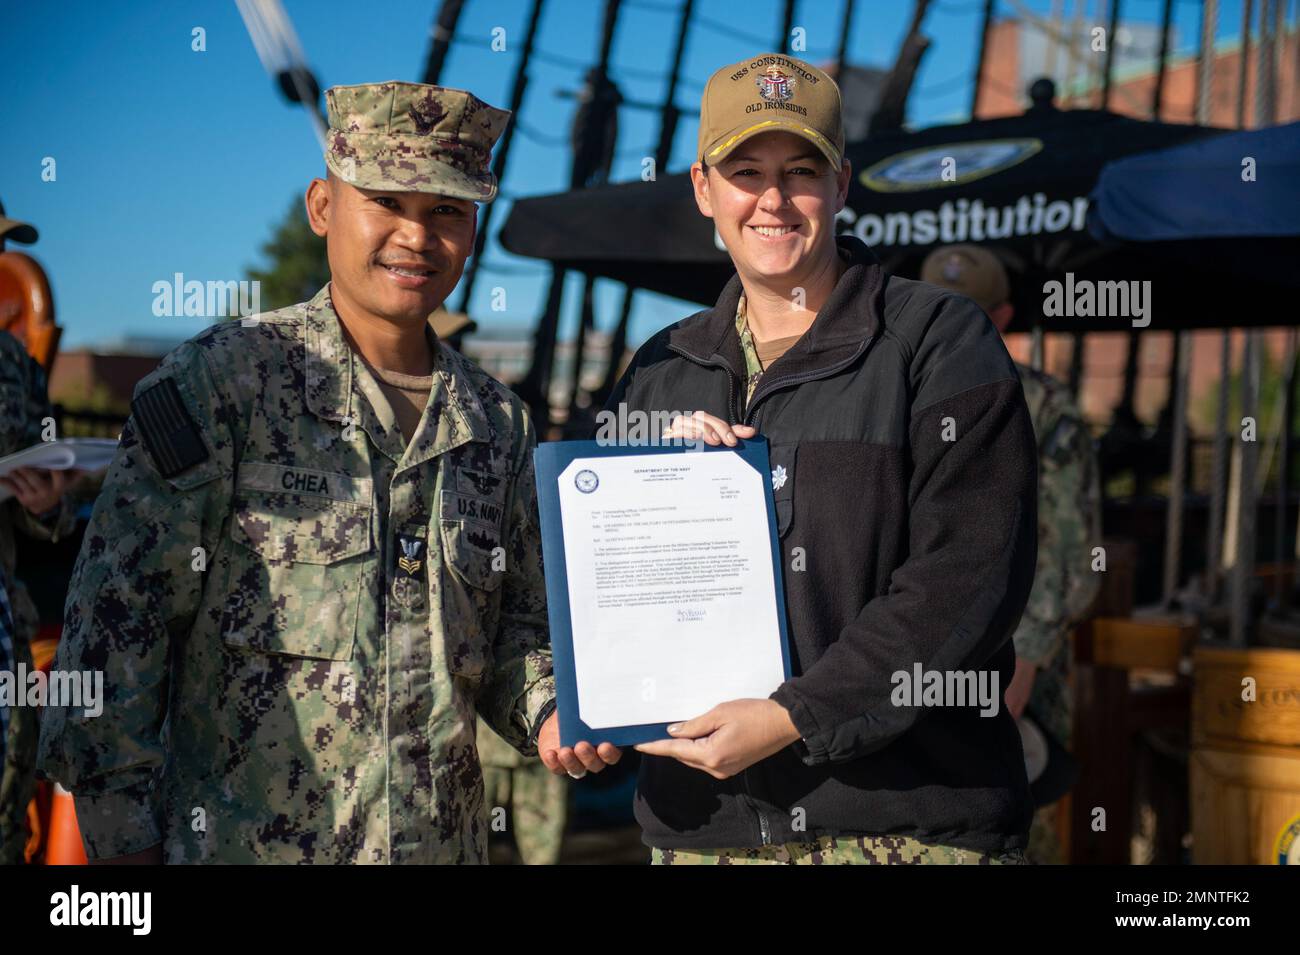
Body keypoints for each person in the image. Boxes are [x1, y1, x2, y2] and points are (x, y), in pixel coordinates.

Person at [37, 81, 617, 865]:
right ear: (322, 206)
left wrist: (551, 712)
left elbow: (514, 632)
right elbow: (114, 637)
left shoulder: (496, 424)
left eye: (447, 210)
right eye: (385, 201)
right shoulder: (221, 387)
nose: (416, 237)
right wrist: (127, 855)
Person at [592, 53, 1038, 865]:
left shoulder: (938, 342)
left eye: (801, 170)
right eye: (745, 171)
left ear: (840, 184)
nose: (772, 198)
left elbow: (967, 577)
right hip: (705, 835)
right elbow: (598, 575)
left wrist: (797, 713)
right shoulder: (660, 367)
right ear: (703, 190)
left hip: (907, 832)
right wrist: (588, 705)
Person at [922, 244, 1101, 864]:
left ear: (1001, 317)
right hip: (917, 659)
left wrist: (1026, 656)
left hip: (1016, 664)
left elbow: (1072, 551)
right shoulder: (902, 394)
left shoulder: (1045, 407)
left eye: (970, 312)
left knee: (1021, 834)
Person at [1, 200, 81, 863]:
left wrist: (47, 502)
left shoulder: (15, 364)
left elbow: (38, 507)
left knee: (9, 805)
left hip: (6, 617)